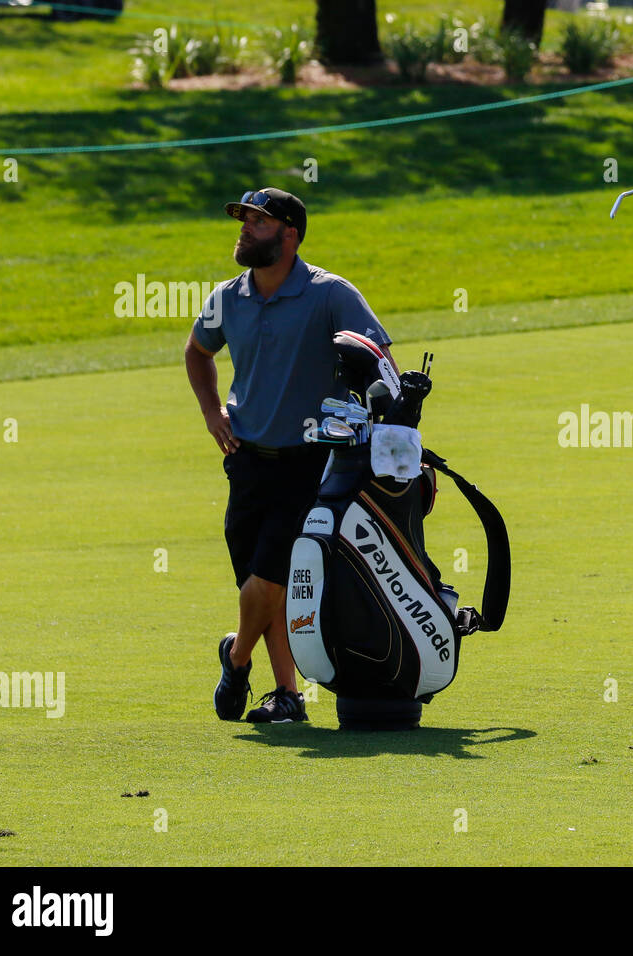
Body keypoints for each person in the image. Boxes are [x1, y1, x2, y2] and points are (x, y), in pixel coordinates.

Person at [185, 187, 396, 723]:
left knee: (270, 577)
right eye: (243, 220)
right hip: (246, 460)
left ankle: (237, 661)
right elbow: (197, 352)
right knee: (263, 585)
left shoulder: (330, 295)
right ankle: (287, 697)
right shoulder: (228, 297)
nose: (245, 228)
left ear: (290, 234)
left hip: (309, 462)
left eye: (258, 221)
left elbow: (380, 362)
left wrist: (387, 434)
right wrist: (213, 413)